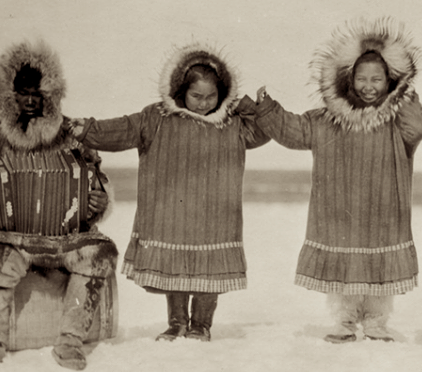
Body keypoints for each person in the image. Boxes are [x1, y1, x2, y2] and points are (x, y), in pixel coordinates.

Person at [69, 43, 272, 343]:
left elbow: (264, 131)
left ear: (222, 92)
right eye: (196, 96)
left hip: (215, 215)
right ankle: (177, 323)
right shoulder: (157, 117)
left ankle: (201, 325)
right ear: (181, 90)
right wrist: (86, 129)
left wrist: (250, 108)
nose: (203, 103)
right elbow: (122, 130)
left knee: (208, 271)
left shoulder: (233, 124)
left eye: (211, 97)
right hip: (172, 213)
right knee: (174, 268)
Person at [254, 18, 422, 343]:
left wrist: (405, 93)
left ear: (389, 80)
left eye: (377, 79)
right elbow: (293, 131)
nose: (368, 85)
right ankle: (344, 322)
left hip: (383, 210)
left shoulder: (397, 121)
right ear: (347, 79)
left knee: (380, 274)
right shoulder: (326, 120)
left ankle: (377, 323)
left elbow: (420, 126)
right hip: (339, 211)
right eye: (361, 78)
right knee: (344, 271)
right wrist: (266, 109)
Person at [0, 40, 116, 372]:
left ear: (50, 94)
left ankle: (71, 340)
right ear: (7, 93)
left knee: (101, 253)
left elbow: (97, 180)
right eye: (22, 92)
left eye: (38, 92)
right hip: (8, 239)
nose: (30, 100)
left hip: (65, 238)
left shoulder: (71, 134)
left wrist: (98, 201)